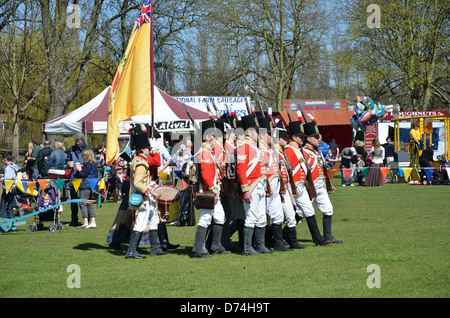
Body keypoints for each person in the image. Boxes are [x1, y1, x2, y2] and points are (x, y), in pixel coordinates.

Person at [284, 120, 332, 246]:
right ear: (294, 137)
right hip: (296, 186)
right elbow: (289, 170)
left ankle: (318, 239)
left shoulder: (297, 150)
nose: (303, 139)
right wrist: (293, 187)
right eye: (301, 137)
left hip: (302, 186)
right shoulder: (289, 150)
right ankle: (316, 239)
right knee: (297, 214)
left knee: (309, 211)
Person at [192, 119, 230, 258]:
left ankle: (215, 245)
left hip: (213, 189)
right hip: (208, 190)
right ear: (208, 137)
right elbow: (206, 175)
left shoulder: (208, 152)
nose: (216, 138)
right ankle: (198, 249)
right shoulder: (205, 153)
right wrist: (213, 191)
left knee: (220, 217)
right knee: (205, 218)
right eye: (214, 136)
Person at [235, 114, 272, 255]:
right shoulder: (243, 147)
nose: (259, 134)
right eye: (257, 131)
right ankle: (247, 248)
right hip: (251, 186)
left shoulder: (254, 147)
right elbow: (241, 169)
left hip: (260, 185)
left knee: (261, 216)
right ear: (250, 132)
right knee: (251, 216)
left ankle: (260, 245)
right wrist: (245, 189)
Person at [125, 125, 164, 259]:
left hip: (146, 194)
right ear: (143, 149)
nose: (150, 149)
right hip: (143, 195)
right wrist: (150, 191)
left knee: (154, 217)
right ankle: (131, 251)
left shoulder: (139, 159)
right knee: (141, 222)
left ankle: (155, 248)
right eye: (148, 148)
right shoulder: (141, 162)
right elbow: (137, 183)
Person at [302, 119, 342, 244]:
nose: (319, 139)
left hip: (320, 185)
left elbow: (321, 169)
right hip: (310, 186)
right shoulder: (304, 152)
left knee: (328, 209)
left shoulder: (316, 151)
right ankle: (286, 236)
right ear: (308, 139)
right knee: (299, 213)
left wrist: (327, 185)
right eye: (316, 137)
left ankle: (328, 236)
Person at [259, 117, 292, 252]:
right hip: (266, 185)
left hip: (275, 184)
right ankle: (264, 243)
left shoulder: (270, 149)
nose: (271, 137)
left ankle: (278, 243)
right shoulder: (259, 149)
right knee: (265, 217)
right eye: (268, 134)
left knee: (277, 214)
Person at [65, 132, 93, 227]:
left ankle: (88, 220)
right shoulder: (71, 149)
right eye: (76, 141)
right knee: (73, 200)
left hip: (84, 178)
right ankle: (74, 220)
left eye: (79, 141)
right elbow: (67, 160)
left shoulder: (88, 149)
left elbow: (94, 161)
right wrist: (69, 164)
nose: (77, 143)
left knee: (85, 200)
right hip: (74, 177)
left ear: (83, 140)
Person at [74, 148, 98, 229]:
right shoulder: (93, 163)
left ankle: (85, 222)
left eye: (83, 155)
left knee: (83, 203)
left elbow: (83, 175)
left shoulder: (88, 164)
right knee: (89, 203)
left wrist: (79, 170)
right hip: (90, 185)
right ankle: (93, 222)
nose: (82, 156)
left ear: (87, 155)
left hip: (86, 186)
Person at [0, 152, 19, 219]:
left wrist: (1, 178)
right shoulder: (14, 166)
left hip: (9, 188)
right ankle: (12, 224)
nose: (2, 161)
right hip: (14, 188)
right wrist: (3, 176)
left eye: (2, 159)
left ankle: (5, 224)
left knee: (3, 206)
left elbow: (7, 180)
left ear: (5, 159)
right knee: (10, 206)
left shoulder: (7, 168)